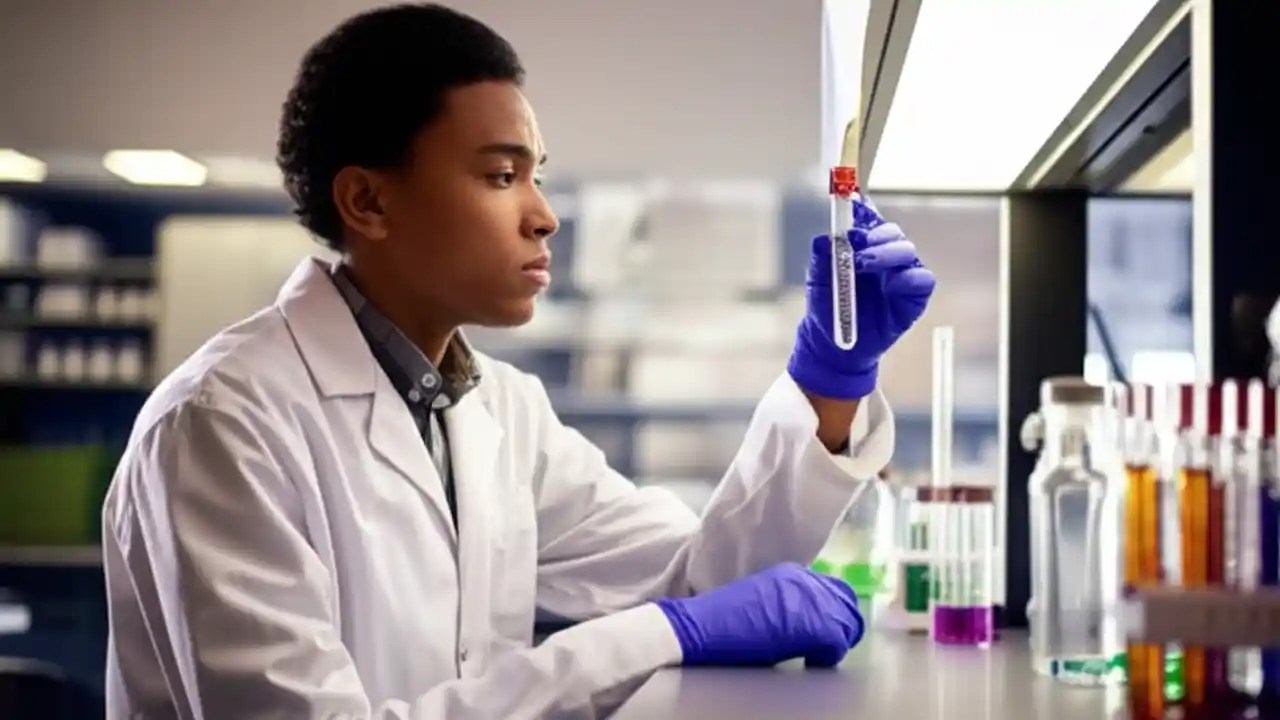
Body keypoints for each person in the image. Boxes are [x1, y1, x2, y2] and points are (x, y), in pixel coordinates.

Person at [101, 4, 935, 718]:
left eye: (537, 176)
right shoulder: (220, 424)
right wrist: (660, 634)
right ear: (368, 200)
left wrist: (830, 385)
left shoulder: (497, 410)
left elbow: (702, 584)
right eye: (502, 175)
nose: (544, 217)